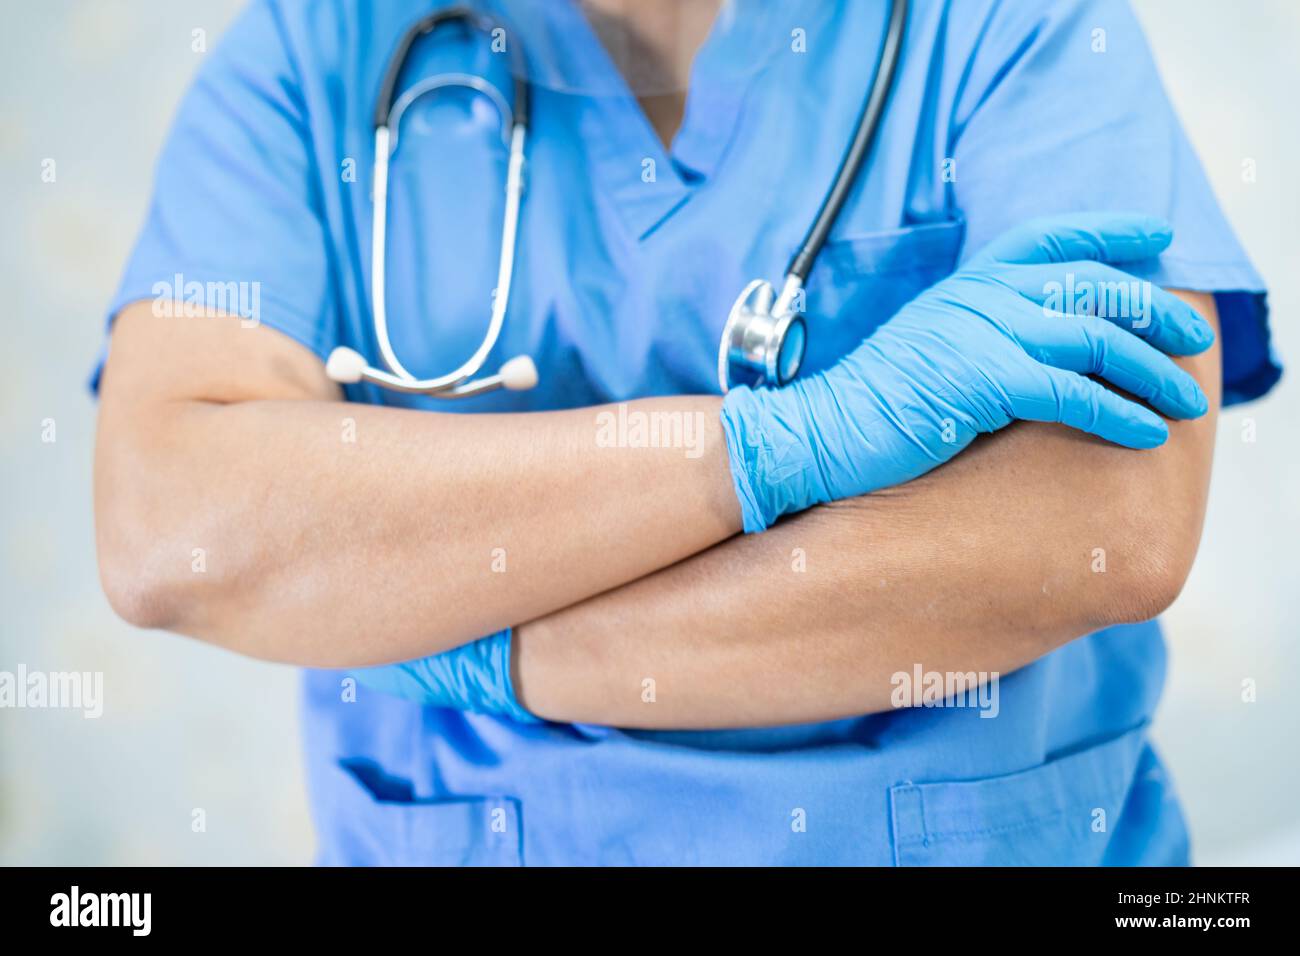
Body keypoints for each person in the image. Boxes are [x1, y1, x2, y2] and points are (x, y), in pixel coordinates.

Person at [92, 0, 1279, 865]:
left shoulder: (1009, 26)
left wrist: (477, 642)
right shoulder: (307, 63)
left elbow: (1107, 529)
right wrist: (788, 439)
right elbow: (172, 524)